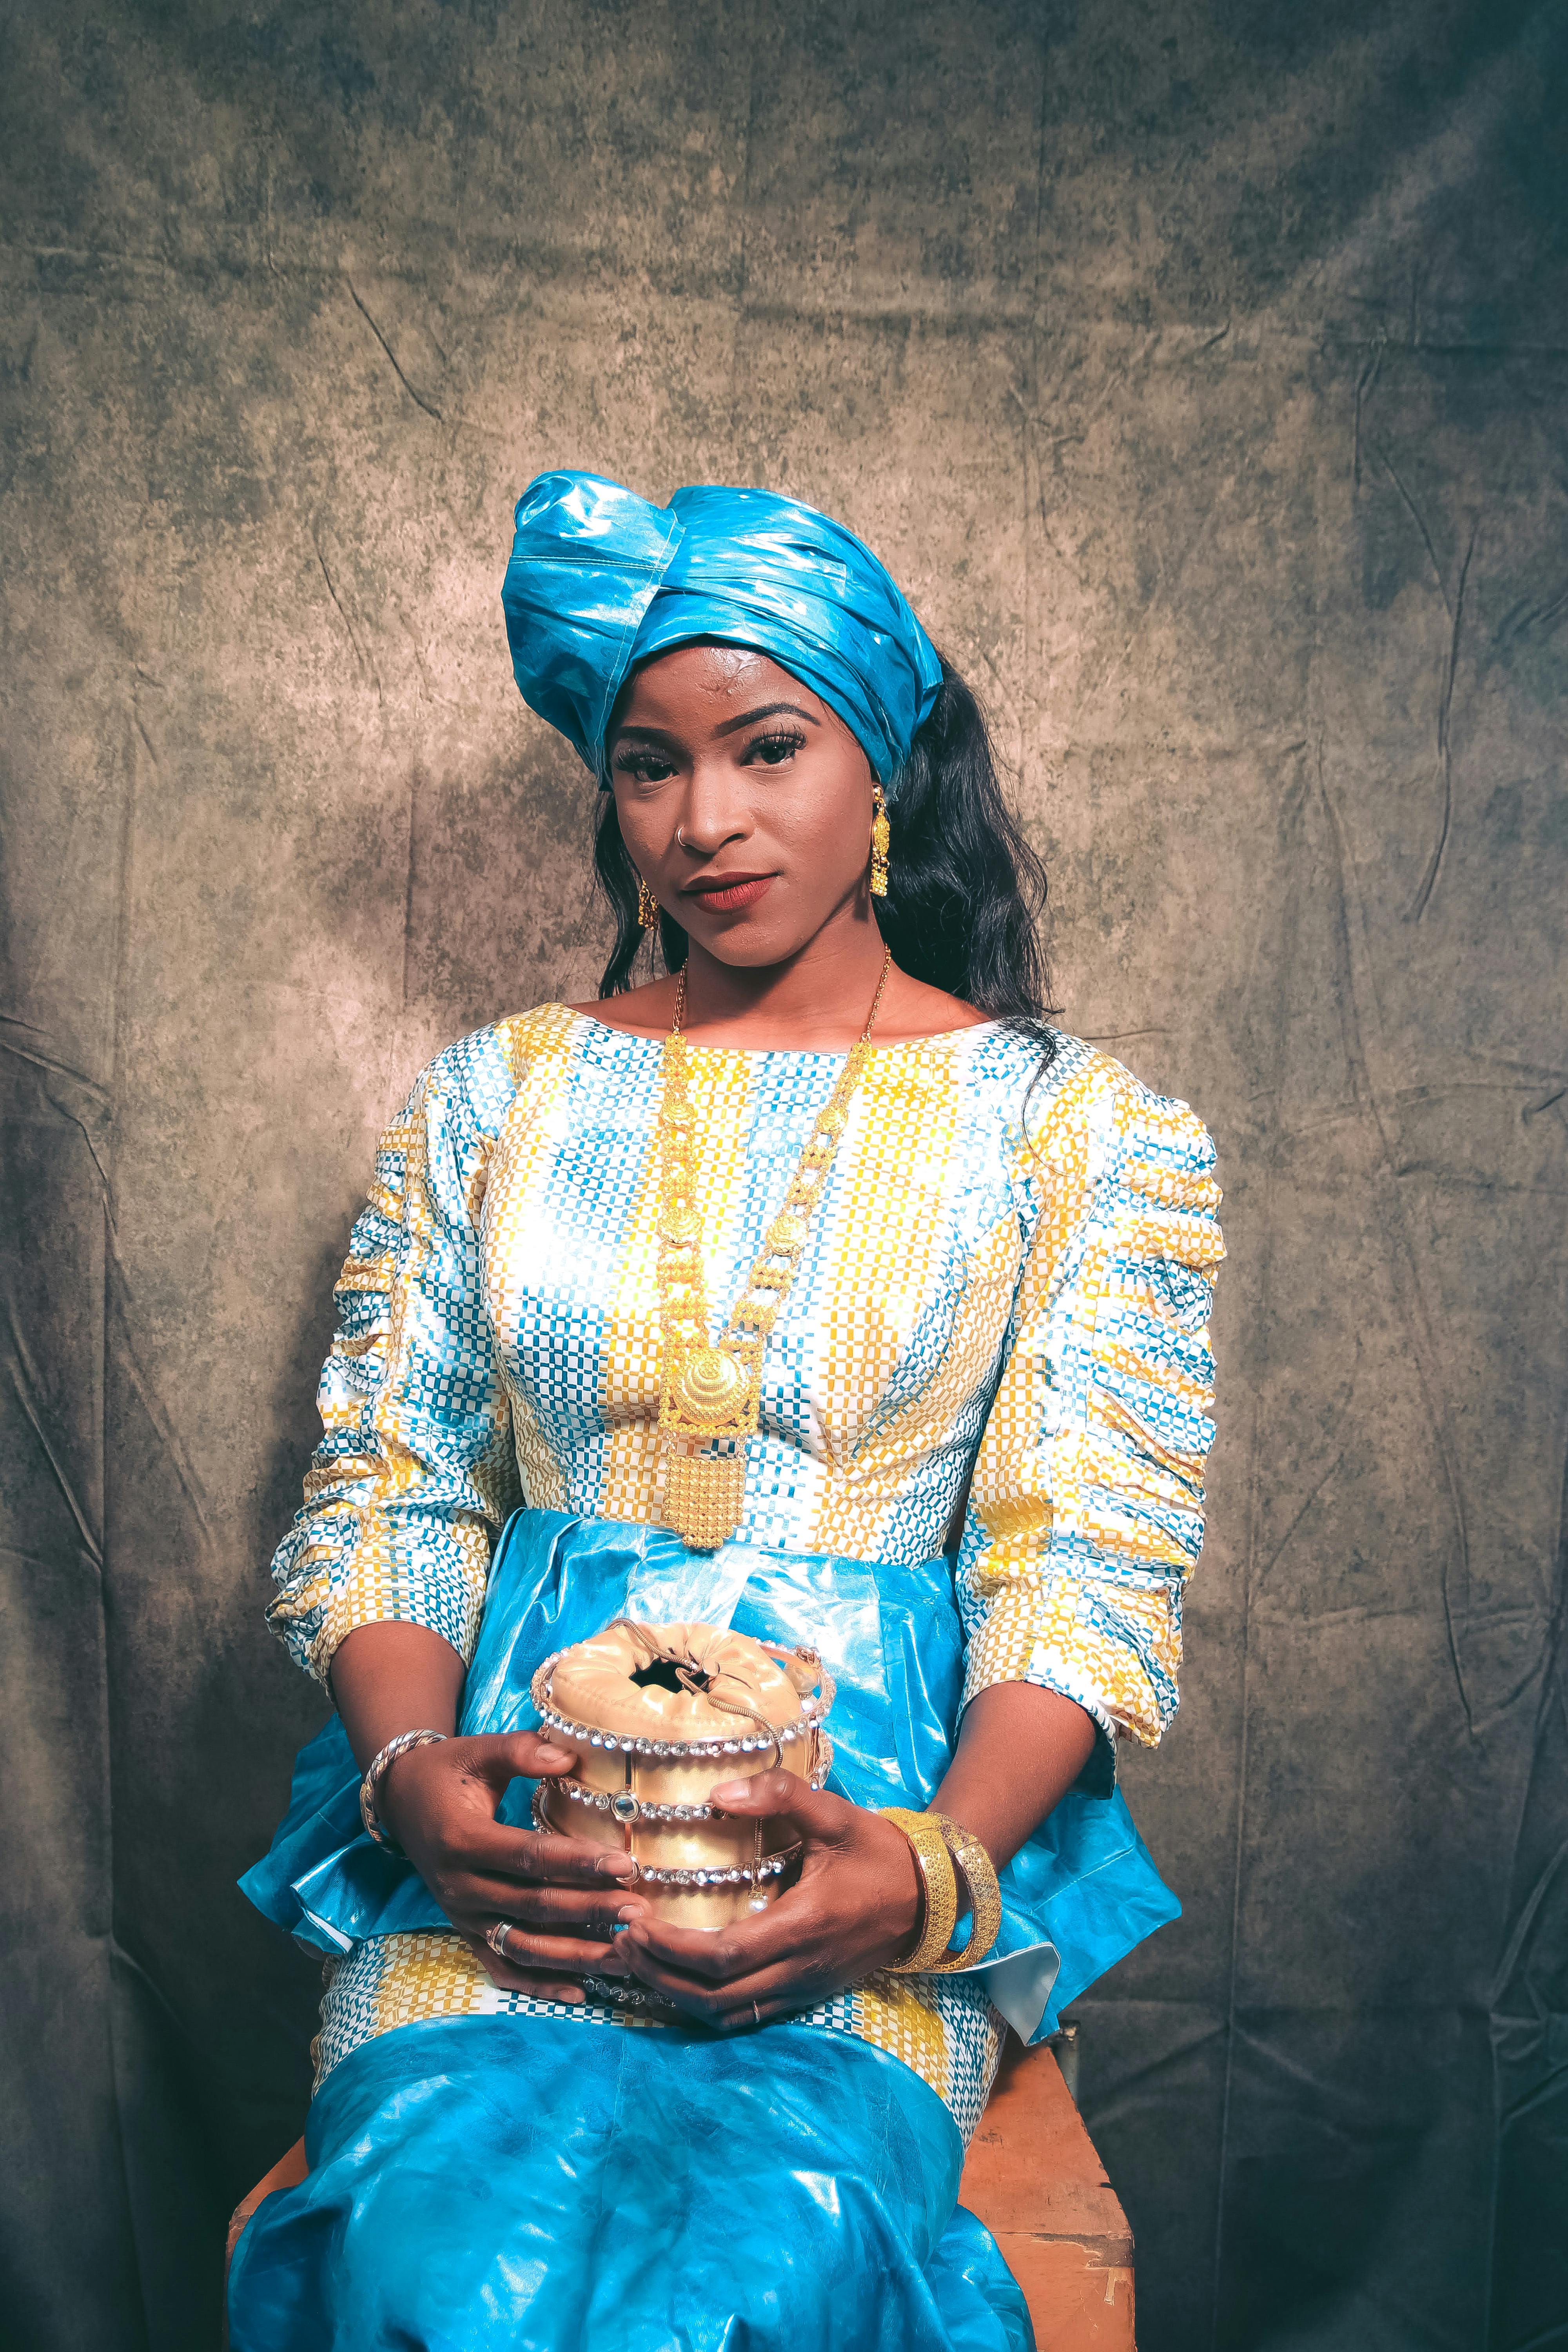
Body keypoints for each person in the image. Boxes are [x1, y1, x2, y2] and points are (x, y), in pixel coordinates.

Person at [230, 472, 1224, 2351]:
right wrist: (411, 1786)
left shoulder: (1069, 1129)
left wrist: (928, 1870)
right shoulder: (495, 1098)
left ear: (880, 768)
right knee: (431, 2264)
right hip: (507, 1863)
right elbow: (394, 1482)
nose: (705, 822)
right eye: (646, 768)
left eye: (766, 749)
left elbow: (1079, 1555)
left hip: (860, 1833)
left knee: (764, 2277)